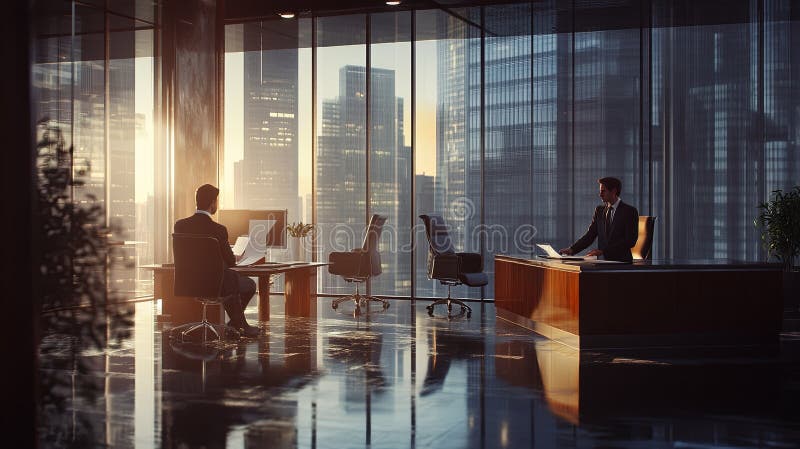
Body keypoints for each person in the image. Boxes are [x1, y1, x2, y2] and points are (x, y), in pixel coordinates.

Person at [174, 184, 260, 337]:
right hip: (215, 285)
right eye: (216, 201)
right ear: (213, 202)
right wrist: (234, 257)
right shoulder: (218, 229)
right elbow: (230, 261)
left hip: (188, 282)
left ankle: (236, 324)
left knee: (229, 281)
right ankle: (239, 325)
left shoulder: (180, 225)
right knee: (248, 284)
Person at [559, 177, 639, 262]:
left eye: (603, 191)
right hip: (602, 262)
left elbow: (630, 241)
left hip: (622, 263)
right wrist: (572, 249)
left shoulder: (629, 211)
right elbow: (590, 235)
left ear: (614, 191)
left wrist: (604, 251)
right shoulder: (599, 210)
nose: (600, 194)